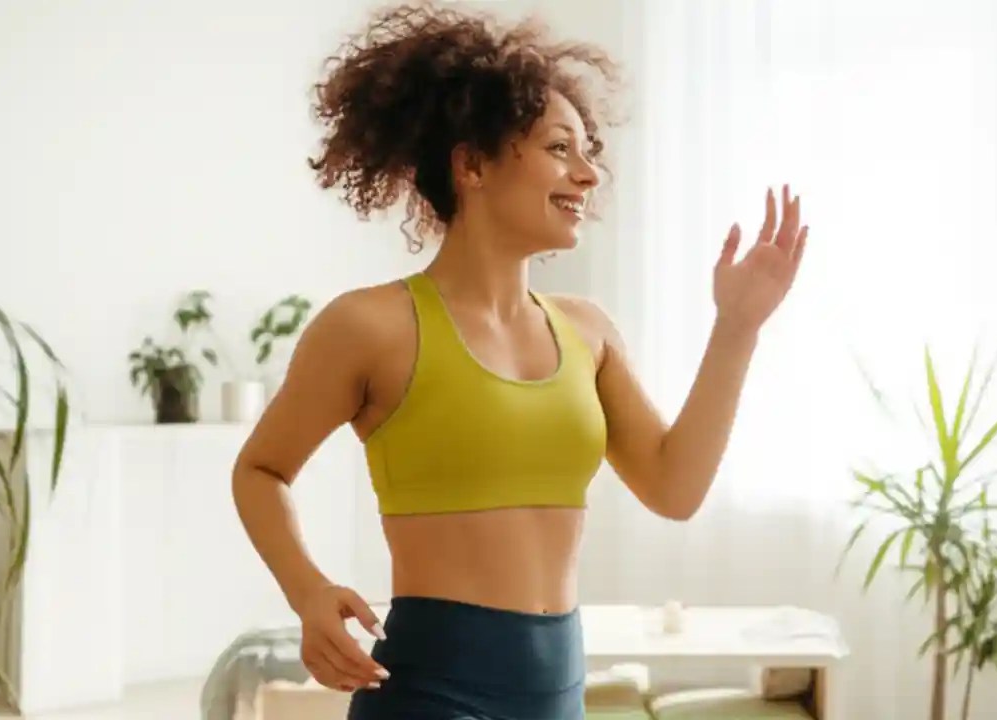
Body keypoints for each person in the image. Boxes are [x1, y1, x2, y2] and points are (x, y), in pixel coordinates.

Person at [231, 3, 808, 719]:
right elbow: (261, 470)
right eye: (560, 148)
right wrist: (308, 591)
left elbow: (674, 488)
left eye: (588, 152)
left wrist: (737, 327)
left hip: (557, 693)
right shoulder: (370, 327)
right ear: (471, 164)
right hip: (430, 693)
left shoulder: (588, 333)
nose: (588, 175)